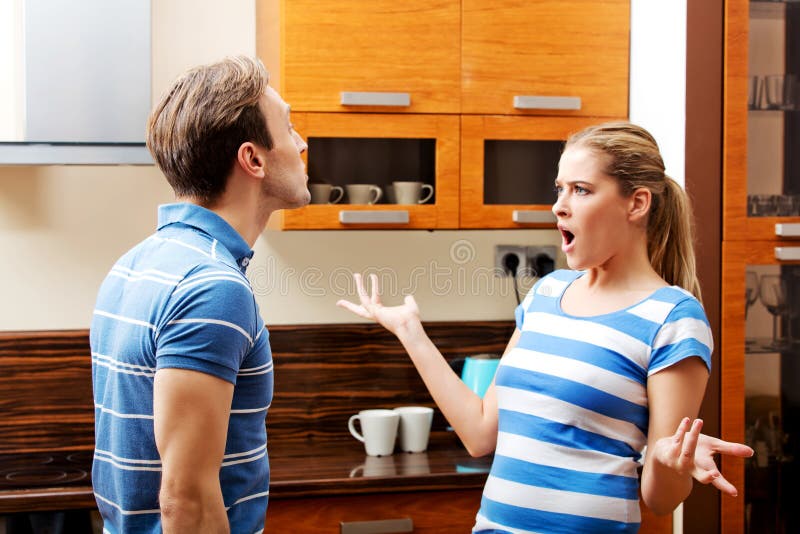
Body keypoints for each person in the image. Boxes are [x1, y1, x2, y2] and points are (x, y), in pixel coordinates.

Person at [337, 122, 753, 533]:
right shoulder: (546, 293)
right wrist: (411, 332)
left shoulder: (673, 318)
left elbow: (660, 500)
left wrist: (665, 460)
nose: (559, 205)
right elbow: (480, 433)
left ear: (637, 203)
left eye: (582, 190)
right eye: (560, 189)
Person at [90, 55, 309, 533]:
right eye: (289, 129)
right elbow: (185, 499)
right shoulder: (213, 287)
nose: (302, 144)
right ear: (252, 158)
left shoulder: (135, 264)